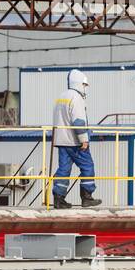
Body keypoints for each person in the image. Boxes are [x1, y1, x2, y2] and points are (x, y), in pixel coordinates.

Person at [51, 69, 102, 209]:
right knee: (87, 166)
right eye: (85, 85)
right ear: (80, 83)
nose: (85, 88)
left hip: (61, 140)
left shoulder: (61, 97)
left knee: (63, 169)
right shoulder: (76, 98)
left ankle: (58, 199)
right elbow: (78, 121)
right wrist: (83, 139)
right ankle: (87, 198)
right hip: (75, 141)